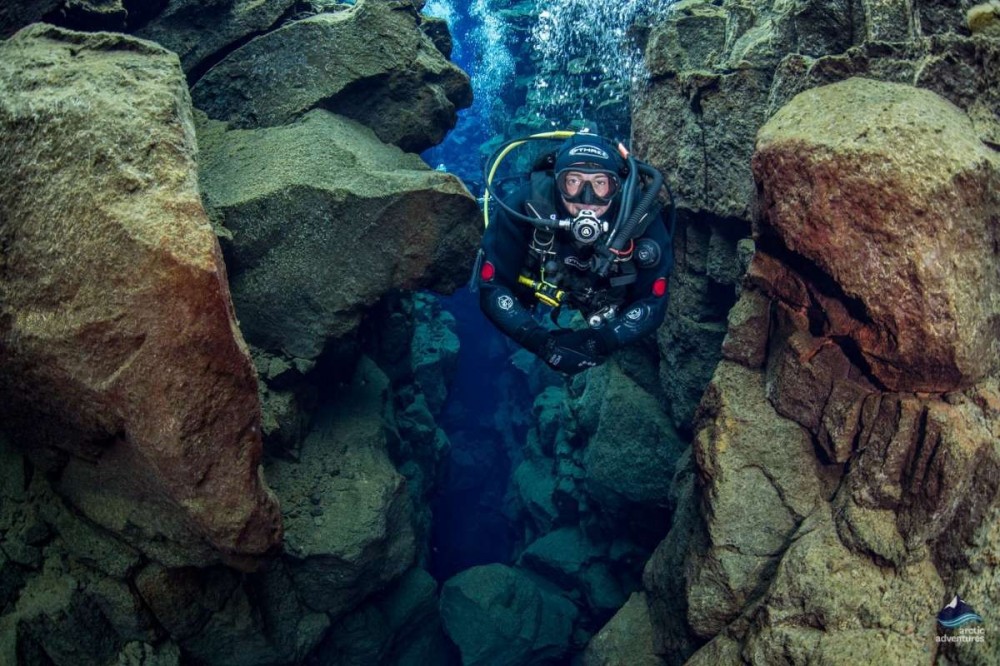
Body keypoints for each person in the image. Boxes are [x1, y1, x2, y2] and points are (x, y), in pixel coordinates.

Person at [476, 131, 674, 375]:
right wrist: (539, 341)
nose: (586, 198)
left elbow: (654, 301)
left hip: (605, 296)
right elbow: (492, 287)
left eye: (600, 183)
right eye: (573, 181)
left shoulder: (637, 214)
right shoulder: (524, 205)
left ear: (616, 186)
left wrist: (602, 341)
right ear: (557, 182)